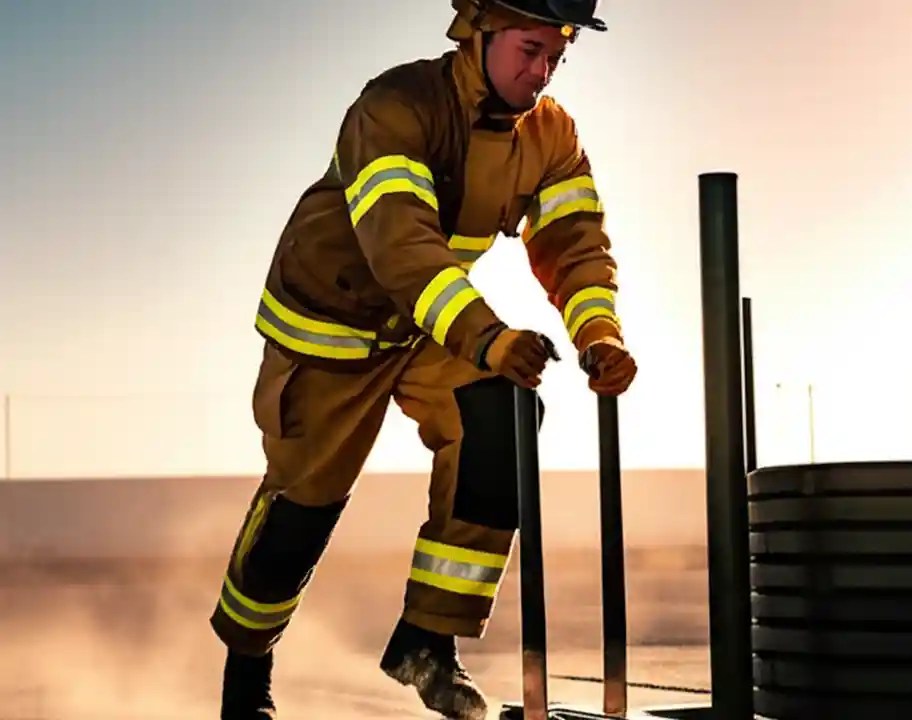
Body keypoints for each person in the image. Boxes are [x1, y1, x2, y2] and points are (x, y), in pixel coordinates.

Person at [209, 0, 637, 717]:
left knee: (500, 417)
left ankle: (427, 645)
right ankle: (246, 675)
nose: (541, 72)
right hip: (329, 330)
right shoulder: (395, 106)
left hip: (426, 328)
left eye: (555, 57)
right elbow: (401, 247)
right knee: (299, 517)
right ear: (481, 30)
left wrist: (601, 334)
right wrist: (488, 336)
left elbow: (574, 243)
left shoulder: (550, 134)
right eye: (529, 50)